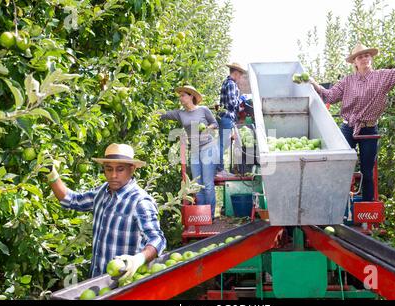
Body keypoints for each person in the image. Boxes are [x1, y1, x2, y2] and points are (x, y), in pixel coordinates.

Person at [309, 43, 395, 201]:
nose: (363, 59)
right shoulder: (347, 81)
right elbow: (330, 96)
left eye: (366, 55)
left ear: (371, 58)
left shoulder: (382, 77)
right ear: (354, 62)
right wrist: (314, 84)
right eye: (360, 57)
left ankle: (367, 208)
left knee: (367, 171)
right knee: (340, 166)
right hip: (348, 127)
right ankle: (336, 202)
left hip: (369, 129)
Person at [46, 143, 166, 281]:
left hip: (122, 282)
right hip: (97, 280)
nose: (113, 175)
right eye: (108, 169)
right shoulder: (102, 192)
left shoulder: (139, 201)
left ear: (131, 169)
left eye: (120, 169)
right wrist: (52, 174)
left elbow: (157, 239)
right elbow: (72, 200)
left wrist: (137, 260)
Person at [160, 85, 219, 219]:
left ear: (191, 96)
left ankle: (210, 215)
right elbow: (165, 114)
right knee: (196, 185)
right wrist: (153, 113)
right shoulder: (181, 114)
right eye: (180, 96)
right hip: (194, 150)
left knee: (208, 184)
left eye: (183, 95)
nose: (180, 98)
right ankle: (202, 216)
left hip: (207, 148)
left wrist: (207, 129)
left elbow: (215, 123)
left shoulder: (203, 110)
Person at [217, 62, 247, 177]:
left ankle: (218, 168)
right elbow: (232, 103)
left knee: (223, 144)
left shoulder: (226, 82)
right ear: (235, 72)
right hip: (227, 117)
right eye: (240, 74)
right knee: (222, 144)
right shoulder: (231, 84)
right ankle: (219, 170)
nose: (240, 77)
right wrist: (241, 100)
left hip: (224, 117)